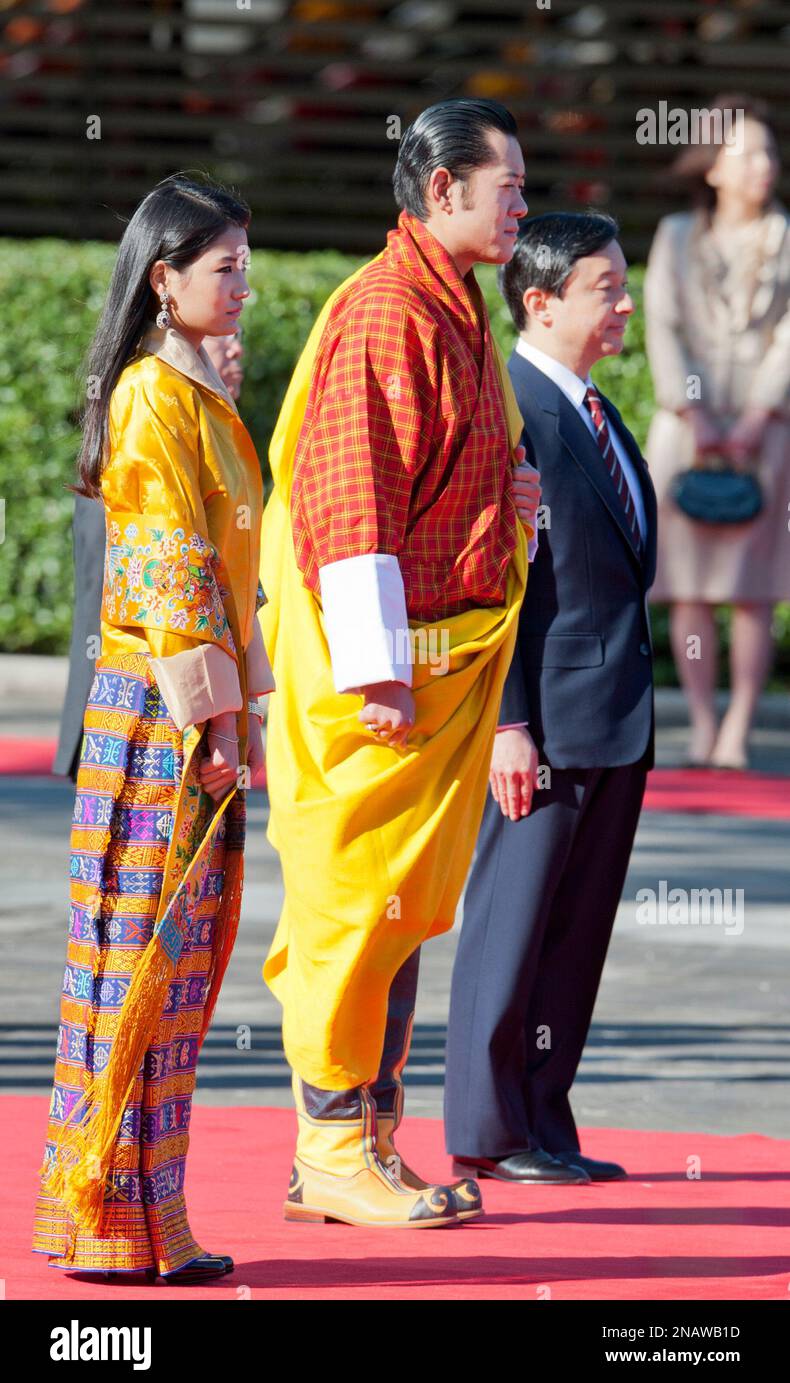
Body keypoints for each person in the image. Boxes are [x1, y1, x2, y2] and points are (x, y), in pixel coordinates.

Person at [258, 98, 540, 1227]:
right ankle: (332, 1147)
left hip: (434, 659)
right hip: (388, 674)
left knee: (398, 909)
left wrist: (510, 500)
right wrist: (374, 670)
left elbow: (447, 477)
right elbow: (348, 499)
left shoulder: (450, 303)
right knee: (355, 906)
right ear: (442, 191)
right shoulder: (388, 310)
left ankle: (366, 1140)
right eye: (508, 187)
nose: (521, 207)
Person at [33, 174, 274, 1283]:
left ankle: (139, 1217)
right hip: (159, 718)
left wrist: (237, 707)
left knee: (171, 968)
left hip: (190, 708)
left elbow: (230, 573)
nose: (244, 284)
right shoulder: (149, 396)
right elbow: (171, 574)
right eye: (227, 266)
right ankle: (108, 1216)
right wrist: (216, 718)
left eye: (244, 263)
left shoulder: (194, 391)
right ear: (165, 281)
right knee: (138, 960)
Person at [444, 212, 657, 1185]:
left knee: (572, 936)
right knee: (511, 925)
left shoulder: (591, 407)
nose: (625, 305)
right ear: (539, 302)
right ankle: (489, 1129)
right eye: (605, 288)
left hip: (612, 717)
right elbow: (497, 584)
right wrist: (509, 721)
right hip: (543, 721)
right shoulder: (514, 406)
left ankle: (542, 1119)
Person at [644, 93, 790, 768]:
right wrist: (695, 410)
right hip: (687, 429)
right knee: (689, 584)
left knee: (754, 587)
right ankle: (703, 724)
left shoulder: (786, 235)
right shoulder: (675, 234)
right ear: (713, 167)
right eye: (747, 154)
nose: (764, 166)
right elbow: (662, 326)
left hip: (768, 428)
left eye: (769, 153)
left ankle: (739, 729)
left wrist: (759, 412)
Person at [53, 331, 246, 782]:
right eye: (226, 338)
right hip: (156, 693)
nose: (237, 349)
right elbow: (170, 579)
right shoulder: (149, 397)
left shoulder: (218, 426)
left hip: (207, 690)